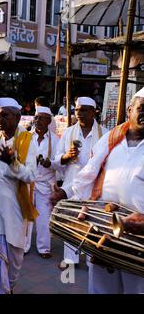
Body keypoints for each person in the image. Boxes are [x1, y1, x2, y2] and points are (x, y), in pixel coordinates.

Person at [71, 89, 144, 294]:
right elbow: (90, 179)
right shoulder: (111, 142)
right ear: (129, 111)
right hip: (104, 231)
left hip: (140, 241)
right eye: (142, 109)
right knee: (101, 290)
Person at [0, 97, 38, 294]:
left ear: (18, 117)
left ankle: (7, 287)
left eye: (5, 115)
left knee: (14, 257)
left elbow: (30, 176)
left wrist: (12, 162)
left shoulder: (28, 141)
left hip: (14, 209)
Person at [51, 97, 108, 268]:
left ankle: (92, 259)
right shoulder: (69, 132)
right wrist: (67, 156)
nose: (80, 114)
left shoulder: (104, 134)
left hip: (93, 188)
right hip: (71, 185)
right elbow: (55, 159)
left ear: (93, 111)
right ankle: (70, 260)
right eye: (77, 110)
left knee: (91, 224)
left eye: (84, 110)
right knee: (71, 222)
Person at [24, 106, 59, 258]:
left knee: (44, 217)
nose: (37, 121)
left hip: (45, 183)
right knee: (25, 216)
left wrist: (49, 163)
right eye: (36, 117)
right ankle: (23, 246)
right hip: (28, 182)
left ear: (49, 121)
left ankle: (44, 248)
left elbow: (59, 162)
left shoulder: (56, 140)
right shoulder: (25, 136)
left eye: (41, 118)